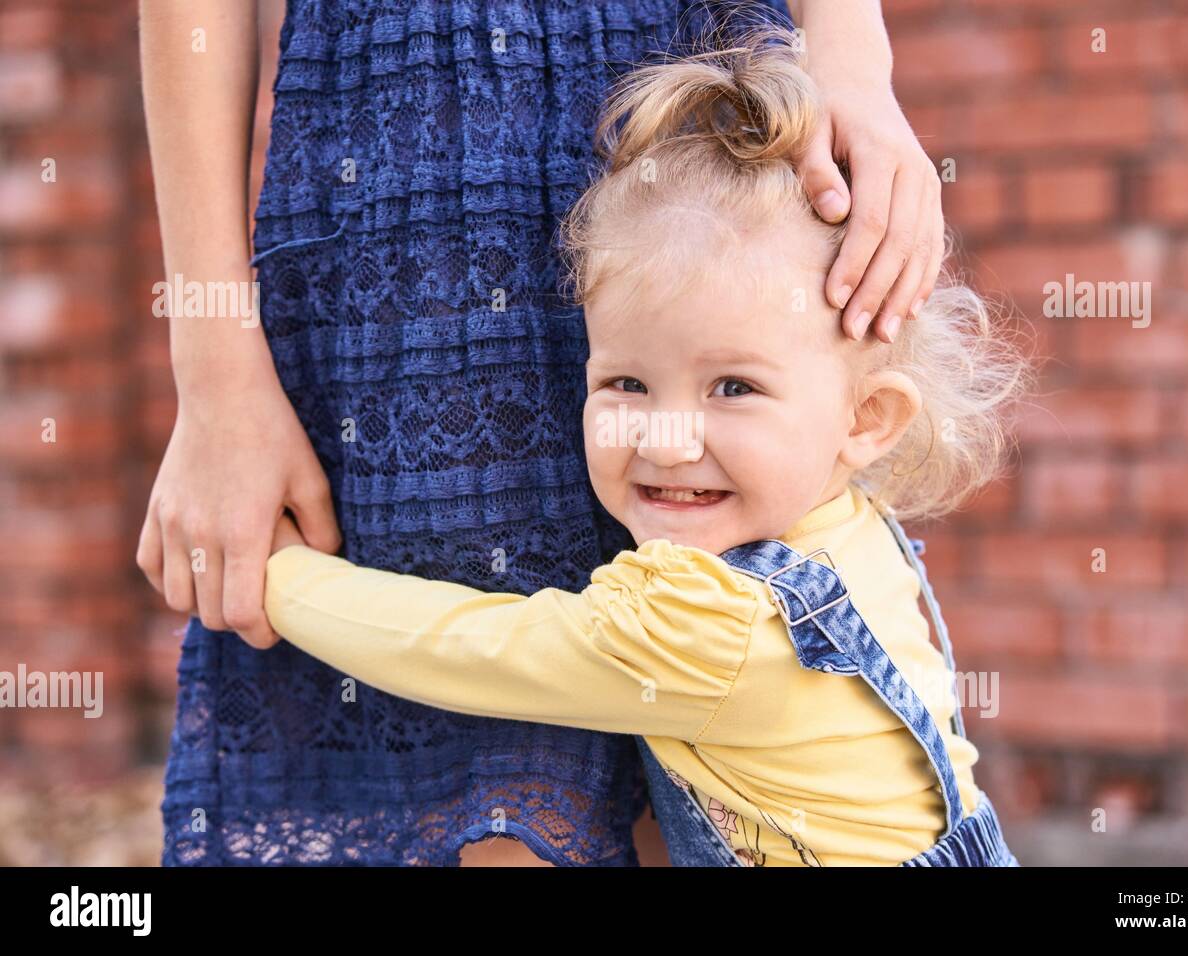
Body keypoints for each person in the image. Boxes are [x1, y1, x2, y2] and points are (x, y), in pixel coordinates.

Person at [137, 0, 949, 865]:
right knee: (497, 809)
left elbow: (464, 649)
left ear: (868, 421)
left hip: (705, 101)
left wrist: (854, 54)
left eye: (737, 387)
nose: (669, 441)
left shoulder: (728, 614)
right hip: (429, 169)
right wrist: (216, 377)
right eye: (625, 384)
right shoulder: (864, 556)